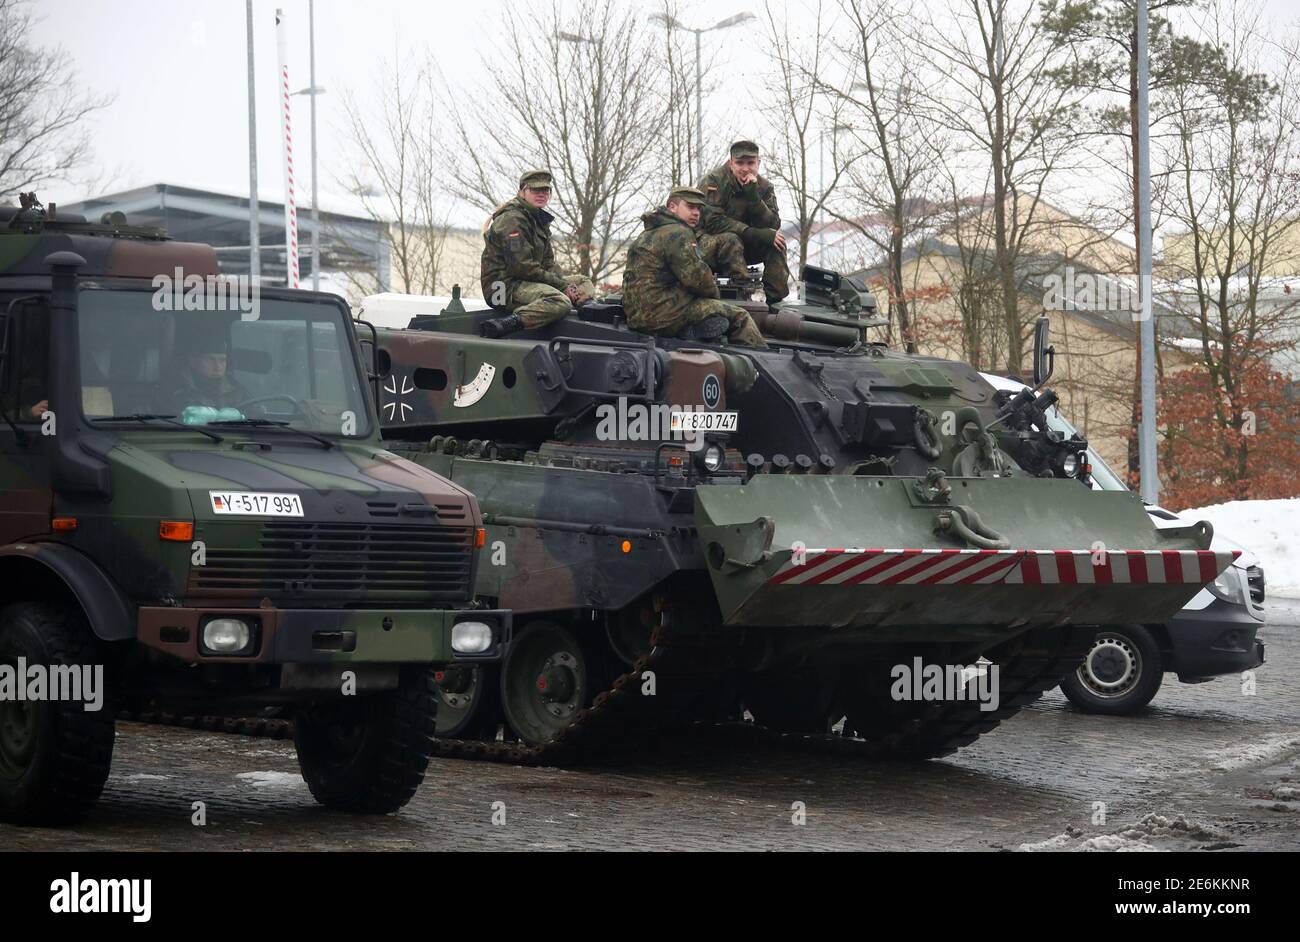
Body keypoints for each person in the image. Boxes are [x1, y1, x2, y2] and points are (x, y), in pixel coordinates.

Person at [621, 186, 767, 348]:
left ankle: (689, 330)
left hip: (637, 319)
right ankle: (759, 363)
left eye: (698, 208)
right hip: (665, 316)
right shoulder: (679, 233)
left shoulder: (646, 234)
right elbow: (699, 280)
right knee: (740, 317)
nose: (696, 213)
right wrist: (715, 296)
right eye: (690, 207)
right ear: (672, 207)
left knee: (709, 311)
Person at [479, 169, 598, 338]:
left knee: (582, 281)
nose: (541, 194)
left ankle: (588, 311)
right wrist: (562, 287)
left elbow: (548, 263)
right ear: (522, 192)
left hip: (526, 281)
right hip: (505, 287)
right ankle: (506, 324)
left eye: (545, 190)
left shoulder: (535, 218)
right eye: (535, 190)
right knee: (560, 301)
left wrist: (565, 284)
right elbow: (521, 267)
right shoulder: (513, 220)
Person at [697, 140, 790, 305]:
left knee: (778, 242)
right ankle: (742, 297)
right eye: (740, 163)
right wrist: (753, 233)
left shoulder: (764, 187)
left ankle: (773, 301)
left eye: (750, 163)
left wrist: (754, 198)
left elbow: (773, 225)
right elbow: (713, 222)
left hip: (743, 246)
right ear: (731, 163)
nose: (745, 168)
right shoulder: (713, 182)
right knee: (731, 239)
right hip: (709, 244)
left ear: (758, 163)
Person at [167, 327, 249, 411]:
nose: (218, 366)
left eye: (222, 360)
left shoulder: (236, 390)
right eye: (210, 359)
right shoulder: (174, 390)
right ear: (192, 361)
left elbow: (255, 416)